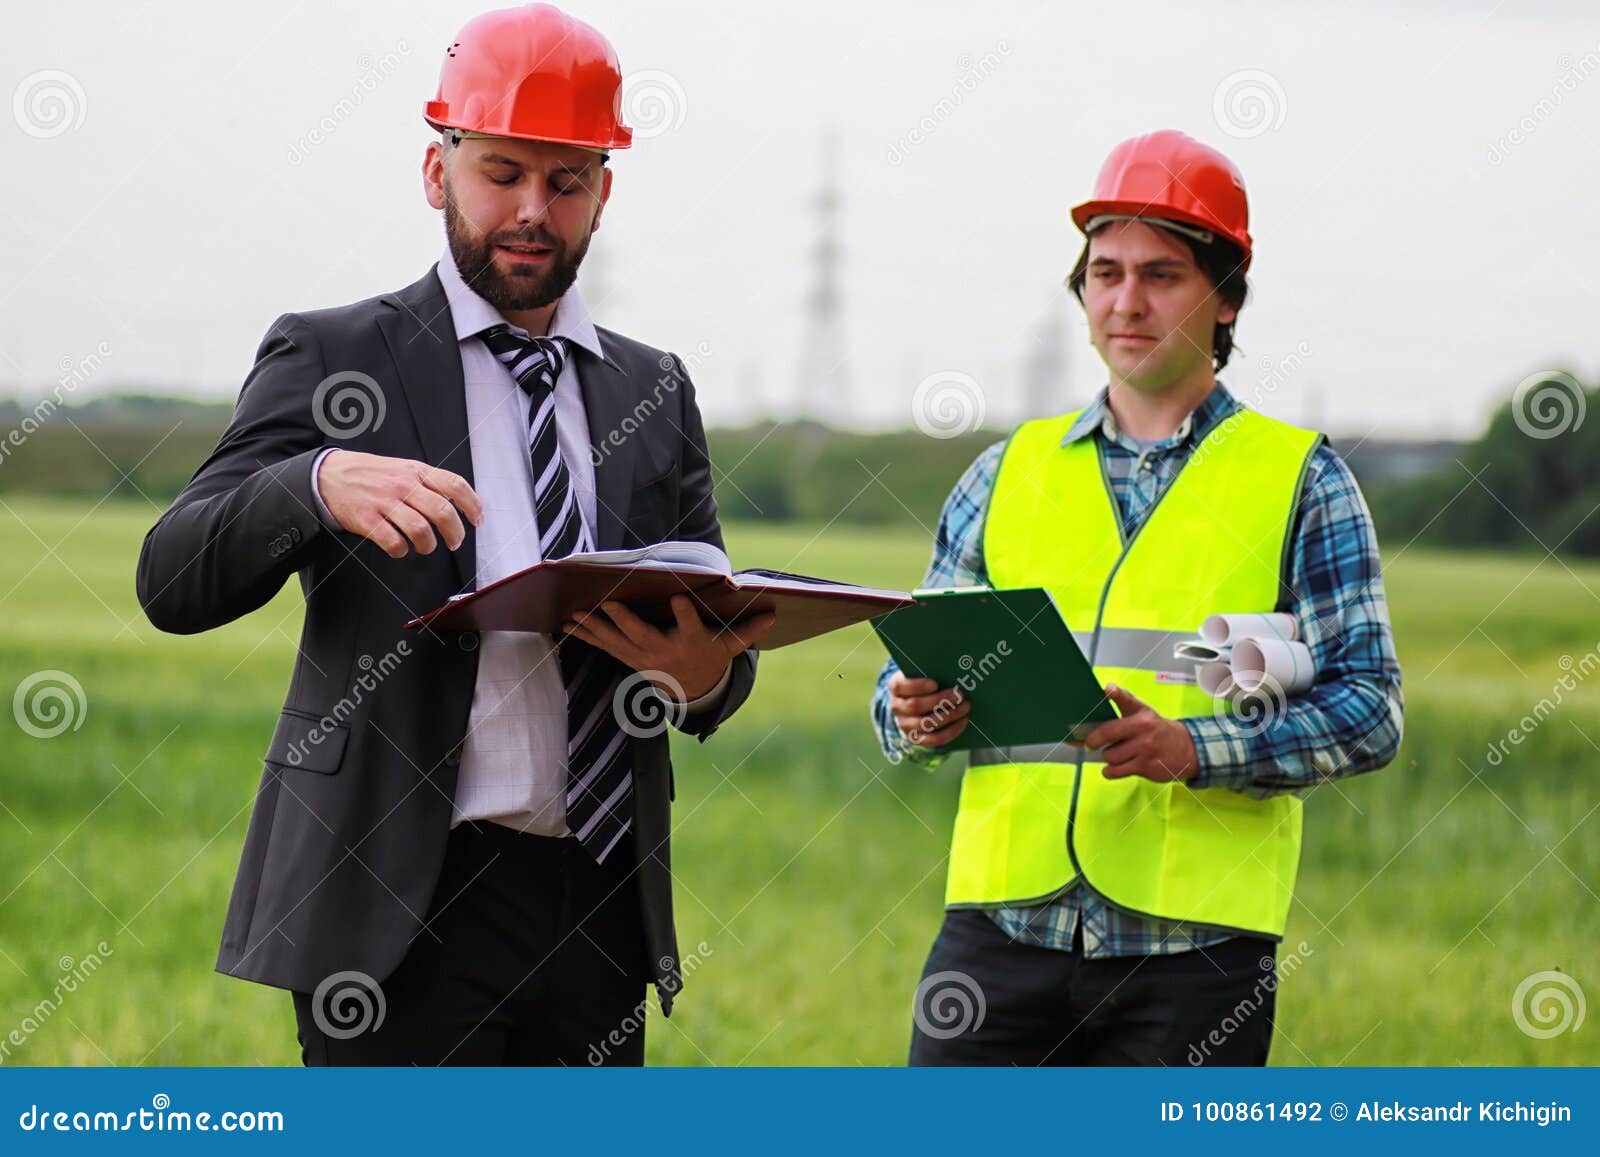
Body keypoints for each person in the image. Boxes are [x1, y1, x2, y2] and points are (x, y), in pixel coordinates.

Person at [136, 3, 768, 1066]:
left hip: (597, 906)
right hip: (394, 911)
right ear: (439, 173)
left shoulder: (654, 389)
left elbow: (712, 627)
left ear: (603, 195)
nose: (531, 209)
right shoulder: (336, 356)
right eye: (501, 172)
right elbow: (173, 577)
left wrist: (706, 677)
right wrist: (313, 479)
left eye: (565, 181)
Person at [871, 129, 1403, 1066]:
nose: (1126, 300)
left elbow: (1370, 709)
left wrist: (1195, 746)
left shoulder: (1301, 482)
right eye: (1106, 271)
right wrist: (915, 713)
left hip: (1194, 957)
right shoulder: (1003, 475)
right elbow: (900, 691)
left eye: (1162, 275)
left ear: (1226, 297)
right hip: (999, 934)